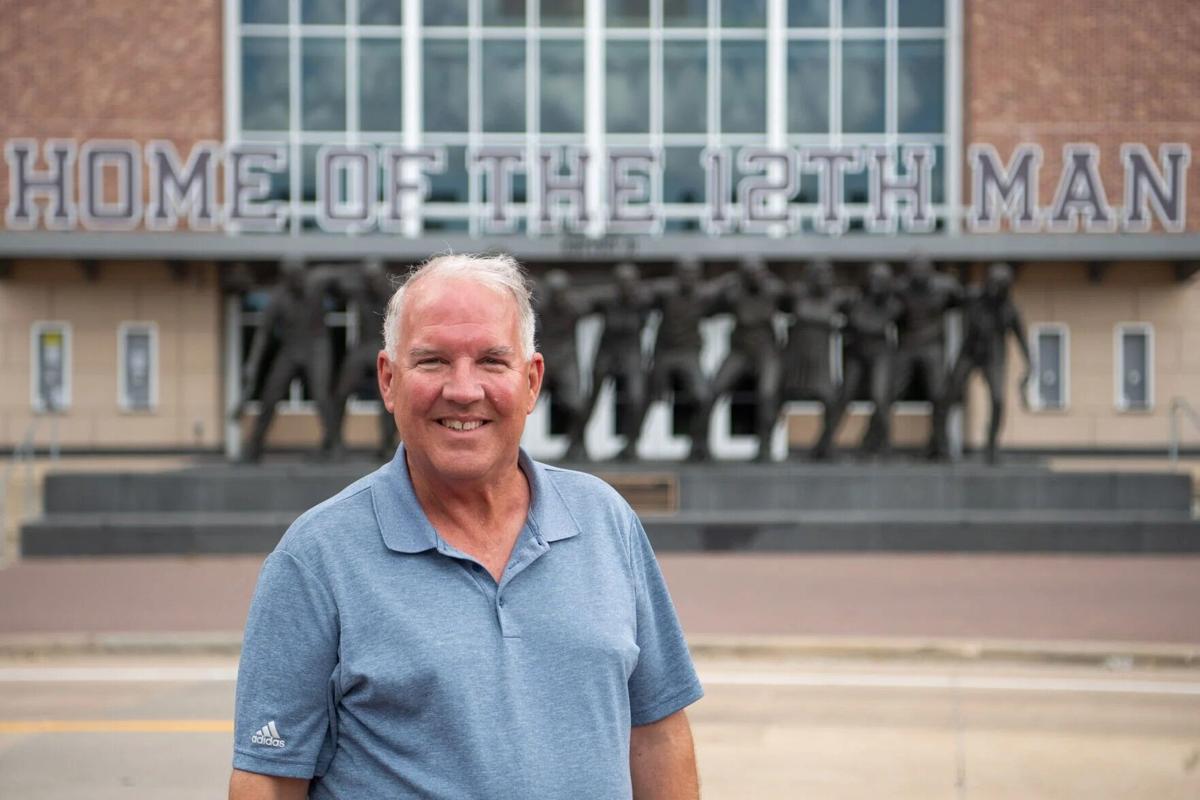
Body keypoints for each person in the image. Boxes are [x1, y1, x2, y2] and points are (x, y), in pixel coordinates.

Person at [229, 253, 703, 799]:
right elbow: (267, 777)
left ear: (531, 382)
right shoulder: (315, 559)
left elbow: (658, 733)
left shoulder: (605, 520)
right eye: (432, 361)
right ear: (388, 380)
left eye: (491, 362)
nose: (462, 389)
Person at [626, 257, 718, 462]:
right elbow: (643, 294)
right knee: (646, 396)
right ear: (677, 275)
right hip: (665, 354)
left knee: (703, 397)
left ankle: (700, 446)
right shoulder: (665, 291)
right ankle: (630, 444)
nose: (688, 278)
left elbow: (726, 288)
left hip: (688, 355)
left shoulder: (703, 294)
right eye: (684, 274)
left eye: (693, 274)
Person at [944, 261, 1033, 464]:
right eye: (991, 283)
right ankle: (939, 445)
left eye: (998, 285)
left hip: (994, 356)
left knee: (998, 399)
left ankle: (991, 445)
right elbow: (951, 298)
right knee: (949, 393)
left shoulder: (1010, 311)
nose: (993, 288)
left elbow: (1022, 340)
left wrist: (1030, 365)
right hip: (969, 352)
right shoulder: (974, 298)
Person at [814, 261, 902, 460]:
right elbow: (830, 310)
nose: (876, 283)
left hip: (880, 353)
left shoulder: (893, 306)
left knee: (880, 397)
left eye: (881, 279)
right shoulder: (852, 301)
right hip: (856, 353)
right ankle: (823, 444)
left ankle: (882, 445)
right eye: (873, 278)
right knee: (844, 396)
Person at [579, 262, 654, 461]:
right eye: (622, 282)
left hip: (631, 353)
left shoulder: (644, 301)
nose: (626, 286)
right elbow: (582, 304)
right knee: (592, 397)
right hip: (606, 353)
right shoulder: (606, 299)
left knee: (637, 398)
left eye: (630, 282)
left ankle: (631, 444)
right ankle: (577, 442)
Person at [778, 259, 846, 460]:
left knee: (832, 401)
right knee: (776, 397)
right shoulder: (795, 295)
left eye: (827, 274)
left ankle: (824, 445)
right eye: (818, 274)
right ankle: (765, 444)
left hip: (821, 361)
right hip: (796, 356)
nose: (823, 278)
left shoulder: (837, 298)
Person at [533, 269, 589, 460]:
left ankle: (578, 444)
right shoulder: (539, 307)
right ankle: (511, 447)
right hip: (543, 358)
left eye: (561, 292)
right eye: (553, 291)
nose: (557, 296)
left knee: (576, 405)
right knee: (521, 402)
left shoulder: (574, 307)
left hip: (566, 361)